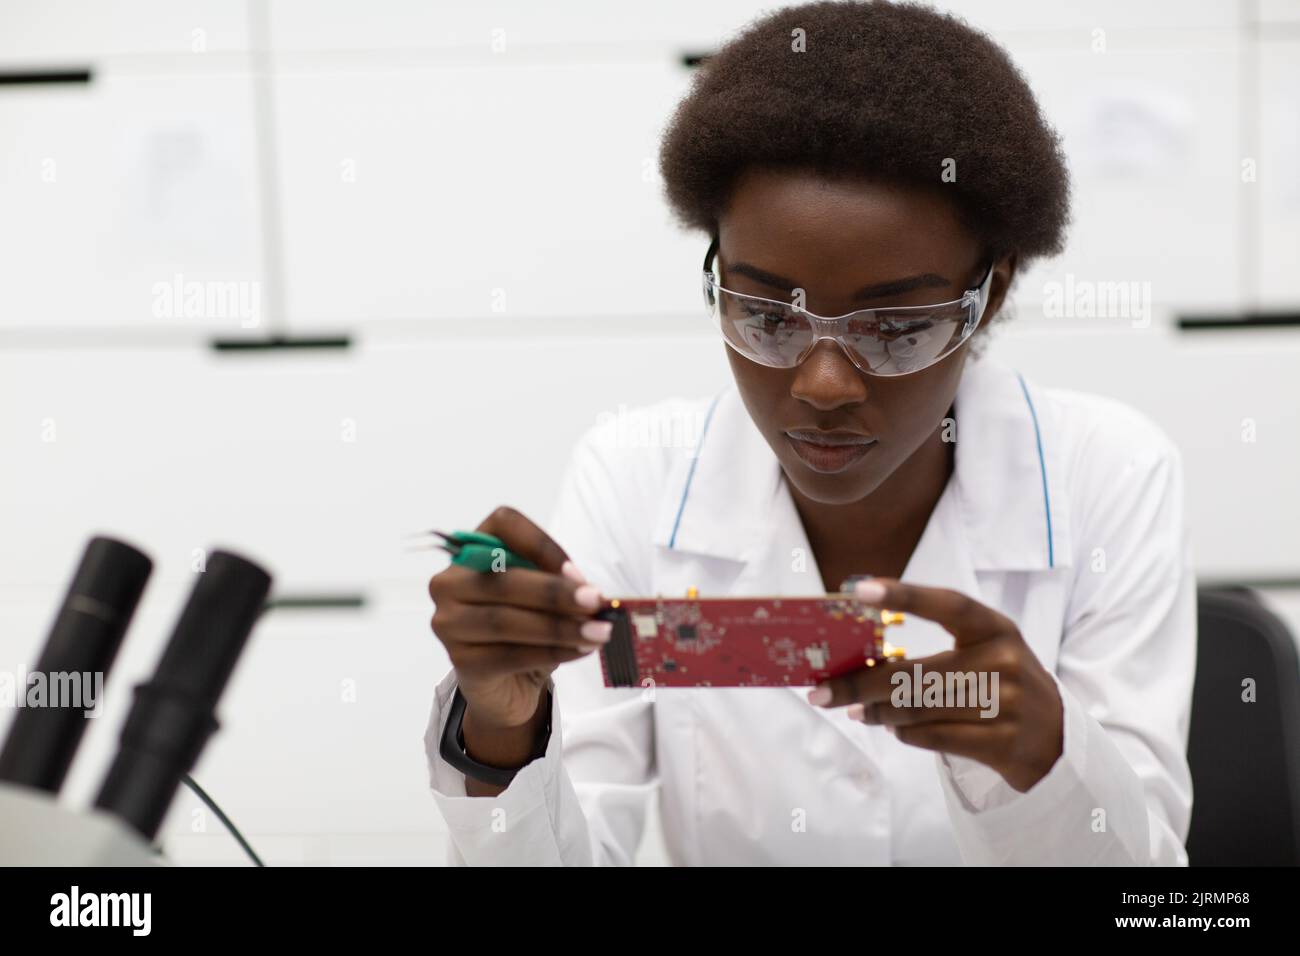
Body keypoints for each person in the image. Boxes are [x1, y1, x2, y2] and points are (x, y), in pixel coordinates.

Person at [422, 0, 1195, 865]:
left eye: (894, 326)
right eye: (765, 314)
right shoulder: (634, 478)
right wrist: (500, 726)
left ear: (994, 294)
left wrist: (1047, 761)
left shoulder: (1109, 477)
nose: (822, 384)